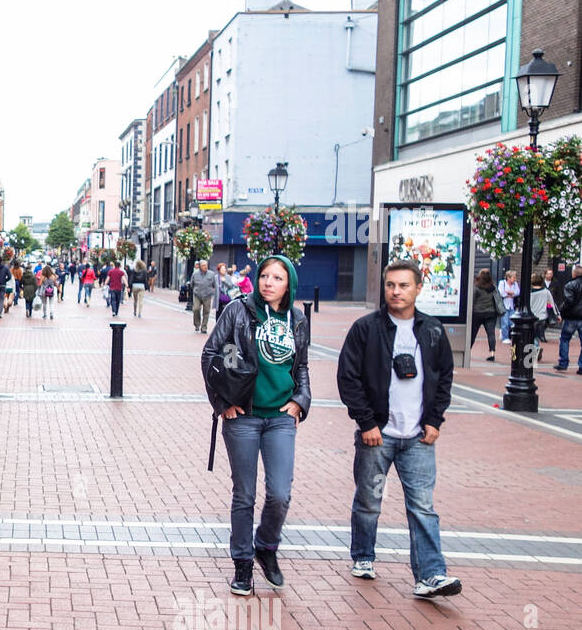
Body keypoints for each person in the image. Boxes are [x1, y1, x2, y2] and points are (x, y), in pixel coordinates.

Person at [336, 260, 461, 599]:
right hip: (378, 434)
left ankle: (430, 575)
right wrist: (366, 422)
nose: (396, 291)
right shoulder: (365, 328)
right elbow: (348, 378)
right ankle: (363, 555)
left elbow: (445, 378)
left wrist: (435, 421)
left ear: (418, 288)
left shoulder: (433, 331)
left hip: (419, 436)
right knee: (369, 499)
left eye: (404, 285)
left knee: (423, 506)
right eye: (391, 285)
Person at [201, 255, 310, 596]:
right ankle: (243, 564)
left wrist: (301, 400)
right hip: (244, 417)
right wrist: (223, 402)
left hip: (280, 417)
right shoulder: (237, 311)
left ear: (288, 284)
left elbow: (301, 365)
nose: (268, 283)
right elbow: (213, 356)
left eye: (277, 278)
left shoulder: (296, 318)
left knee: (280, 493)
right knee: (244, 494)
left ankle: (266, 545)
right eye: (264, 275)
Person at [554, 265, 582, 373]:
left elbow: (568, 301)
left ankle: (563, 362)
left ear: (574, 274)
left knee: (565, 339)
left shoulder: (570, 285)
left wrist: (560, 311)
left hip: (572, 317)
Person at [470, 268, 501, 362]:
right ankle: (492, 353)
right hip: (491, 313)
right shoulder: (493, 287)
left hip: (477, 313)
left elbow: (472, 300)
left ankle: (468, 351)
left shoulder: (476, 287)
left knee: (472, 333)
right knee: (491, 334)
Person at [191, 259, 217, 334]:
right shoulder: (195, 274)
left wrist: (212, 292)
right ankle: (197, 324)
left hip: (207, 295)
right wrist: (195, 290)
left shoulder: (211, 274)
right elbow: (192, 284)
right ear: (200, 266)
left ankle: (204, 327)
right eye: (203, 265)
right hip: (197, 295)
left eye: (206, 265)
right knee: (196, 309)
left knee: (206, 312)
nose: (205, 267)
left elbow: (214, 285)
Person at [528, 272, 553, 345]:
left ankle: (535, 349)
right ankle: (536, 348)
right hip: (542, 317)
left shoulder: (529, 292)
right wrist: (557, 315)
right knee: (537, 336)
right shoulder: (546, 292)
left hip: (531, 317)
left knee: (532, 336)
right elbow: (551, 304)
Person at [498, 270, 519, 343]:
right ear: (508, 278)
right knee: (505, 322)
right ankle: (505, 338)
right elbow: (501, 293)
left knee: (512, 323)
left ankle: (508, 335)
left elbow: (517, 292)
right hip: (504, 305)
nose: (515, 279)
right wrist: (511, 294)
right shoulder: (502, 283)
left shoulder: (515, 284)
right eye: (513, 277)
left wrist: (508, 292)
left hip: (512, 305)